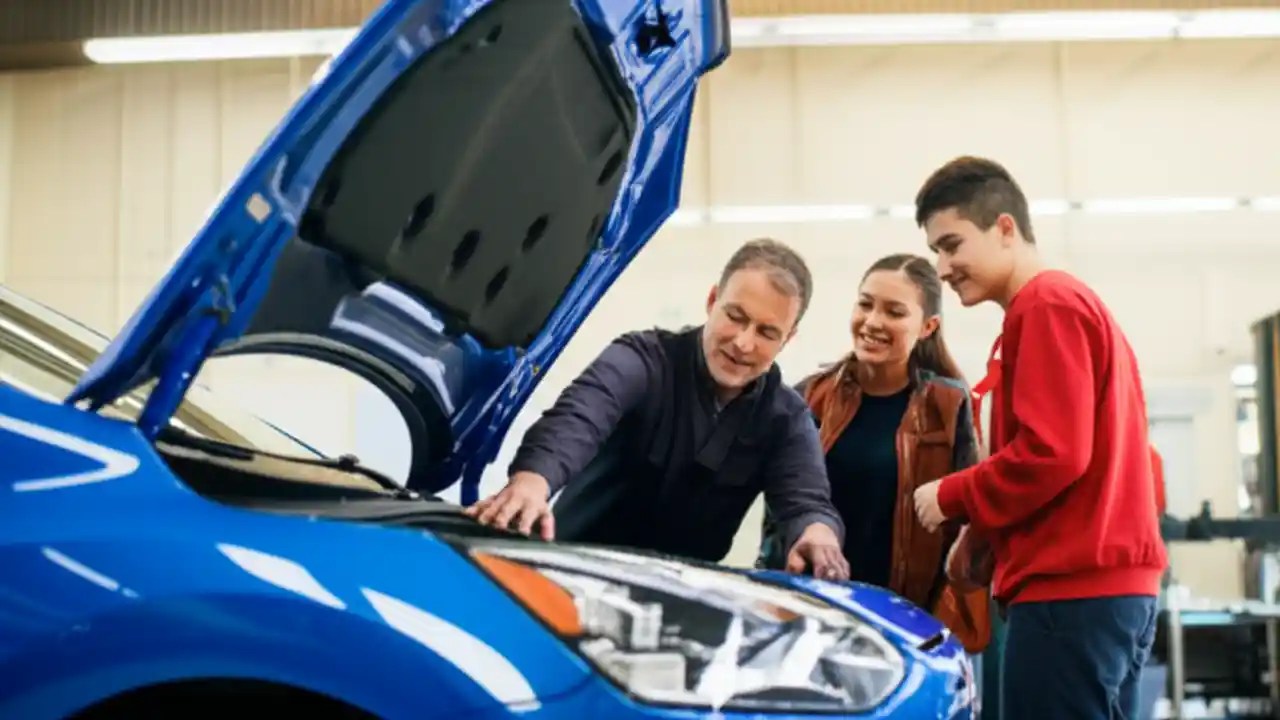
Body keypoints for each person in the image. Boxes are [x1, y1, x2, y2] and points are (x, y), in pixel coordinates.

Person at [910, 156, 1168, 719]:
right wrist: (983, 535)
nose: (944, 266)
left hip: (1071, 598)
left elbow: (1053, 454)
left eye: (953, 244)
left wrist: (952, 495)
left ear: (1005, 228)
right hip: (1103, 595)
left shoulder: (1046, 306)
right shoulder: (1063, 307)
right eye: (936, 251)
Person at [464, 238, 850, 580]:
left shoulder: (786, 417)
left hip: (678, 605)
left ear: (788, 339)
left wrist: (818, 533)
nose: (744, 343)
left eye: (767, 332)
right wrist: (533, 481)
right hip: (569, 576)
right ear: (713, 300)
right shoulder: (641, 360)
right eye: (736, 316)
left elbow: (807, 498)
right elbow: (579, 416)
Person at [756, 253, 992, 654]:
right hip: (814, 617)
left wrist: (941, 623)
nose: (873, 322)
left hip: (907, 625)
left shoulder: (949, 406)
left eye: (894, 312)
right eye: (865, 304)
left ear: (927, 326)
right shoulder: (809, 397)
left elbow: (966, 524)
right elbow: (778, 523)